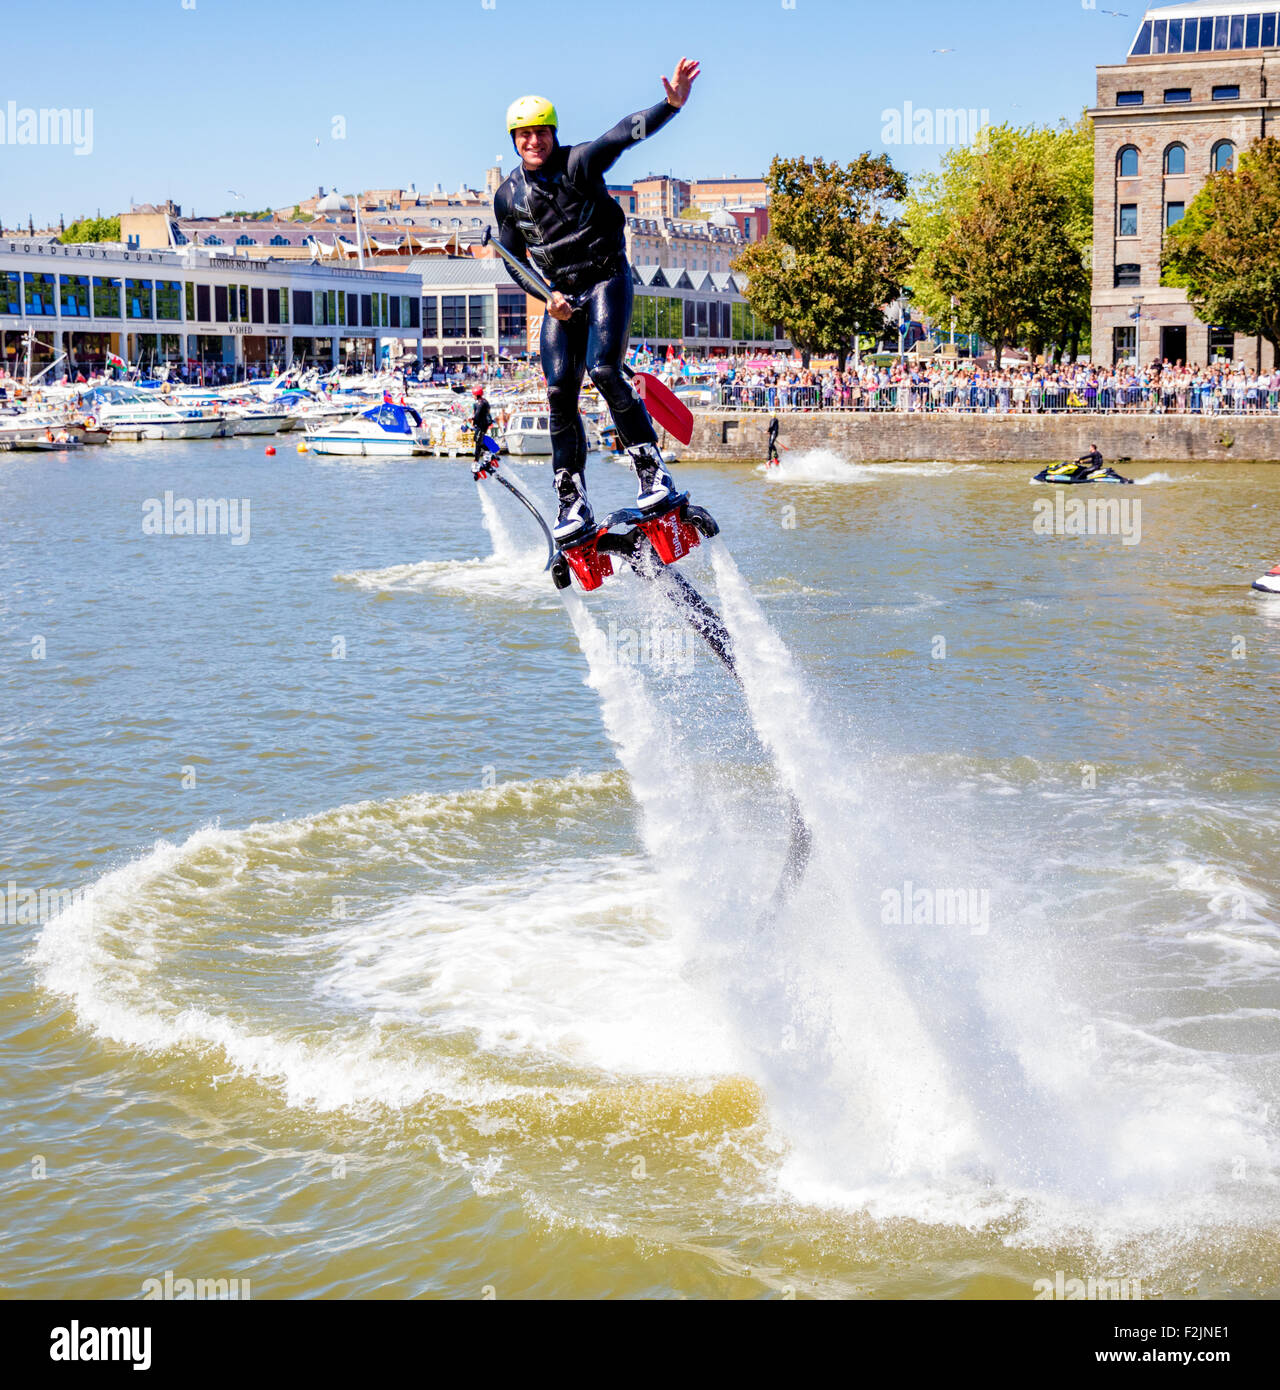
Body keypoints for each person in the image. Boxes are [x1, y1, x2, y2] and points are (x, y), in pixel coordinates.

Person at [495, 58, 700, 541]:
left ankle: (651, 469)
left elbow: (621, 134)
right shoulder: (508, 197)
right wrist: (547, 297)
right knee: (558, 391)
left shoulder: (578, 163)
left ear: (553, 133)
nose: (533, 141)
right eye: (523, 135)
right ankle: (571, 498)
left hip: (607, 278)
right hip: (561, 299)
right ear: (514, 141)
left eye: (541, 132)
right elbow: (512, 259)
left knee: (605, 371)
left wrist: (669, 106)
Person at [471, 385, 493, 462]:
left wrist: (473, 421)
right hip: (484, 424)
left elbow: (477, 414)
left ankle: (490, 452)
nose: (473, 396)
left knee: (478, 440)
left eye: (473, 395)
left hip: (481, 425)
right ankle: (476, 459)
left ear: (477, 395)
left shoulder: (480, 403)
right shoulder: (484, 401)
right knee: (478, 441)